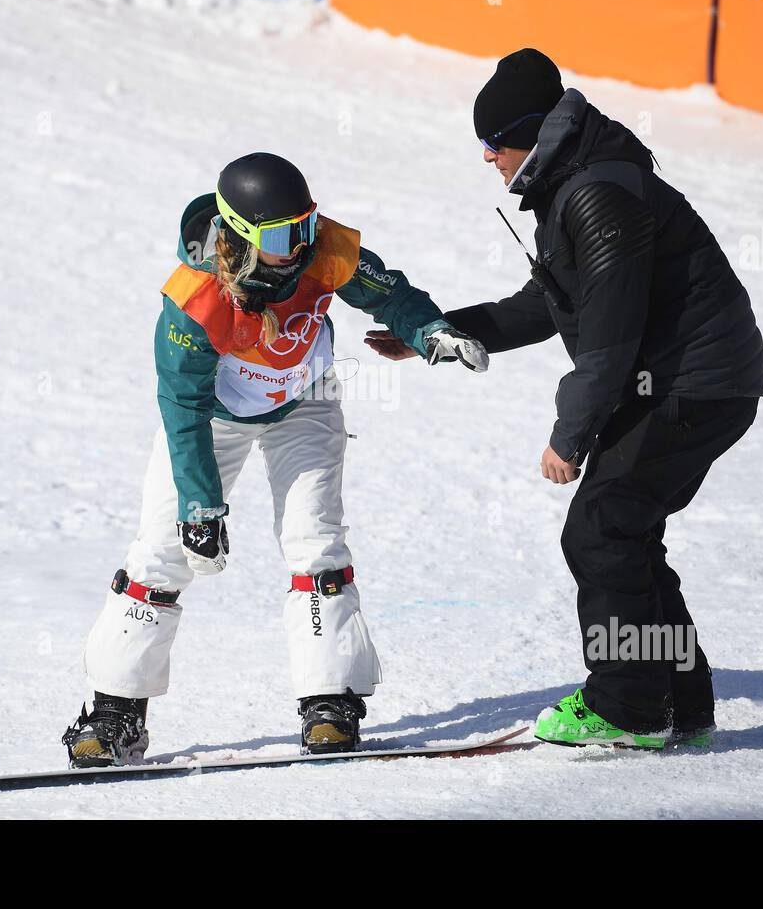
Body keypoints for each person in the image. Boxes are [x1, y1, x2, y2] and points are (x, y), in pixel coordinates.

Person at [366, 49, 763, 750]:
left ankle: (628, 704)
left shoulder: (596, 193)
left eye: (493, 144)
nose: (488, 158)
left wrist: (570, 435)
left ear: (531, 132)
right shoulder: (575, 183)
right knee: (626, 530)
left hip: (691, 385)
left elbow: (610, 334)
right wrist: (438, 334)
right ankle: (676, 700)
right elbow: (547, 305)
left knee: (602, 528)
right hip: (688, 382)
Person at [64, 152, 488, 766]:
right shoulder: (195, 300)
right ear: (239, 236)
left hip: (304, 402)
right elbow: (181, 408)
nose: (300, 246)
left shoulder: (321, 251)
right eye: (283, 236)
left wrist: (430, 332)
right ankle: (115, 712)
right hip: (213, 416)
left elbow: (387, 292)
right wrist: (201, 507)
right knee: (163, 549)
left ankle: (330, 703)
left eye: (307, 226)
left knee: (315, 541)